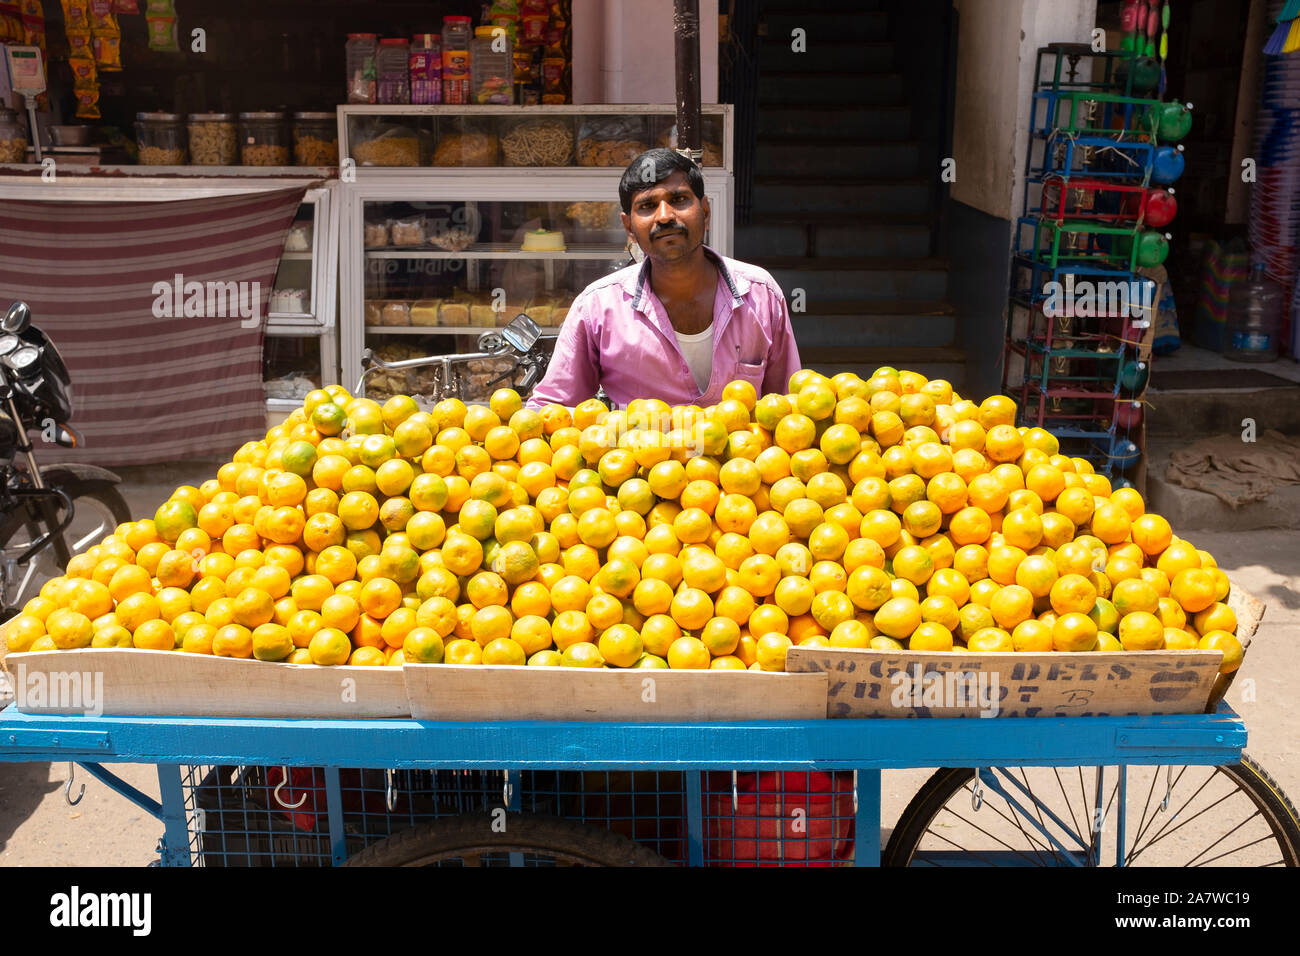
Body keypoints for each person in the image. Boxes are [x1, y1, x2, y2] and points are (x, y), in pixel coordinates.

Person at [527, 148, 800, 409]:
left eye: (679, 199)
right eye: (647, 206)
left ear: (705, 212)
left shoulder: (761, 295)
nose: (665, 216)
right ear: (629, 227)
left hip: (744, 457)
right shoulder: (597, 308)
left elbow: (789, 409)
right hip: (639, 457)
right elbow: (554, 409)